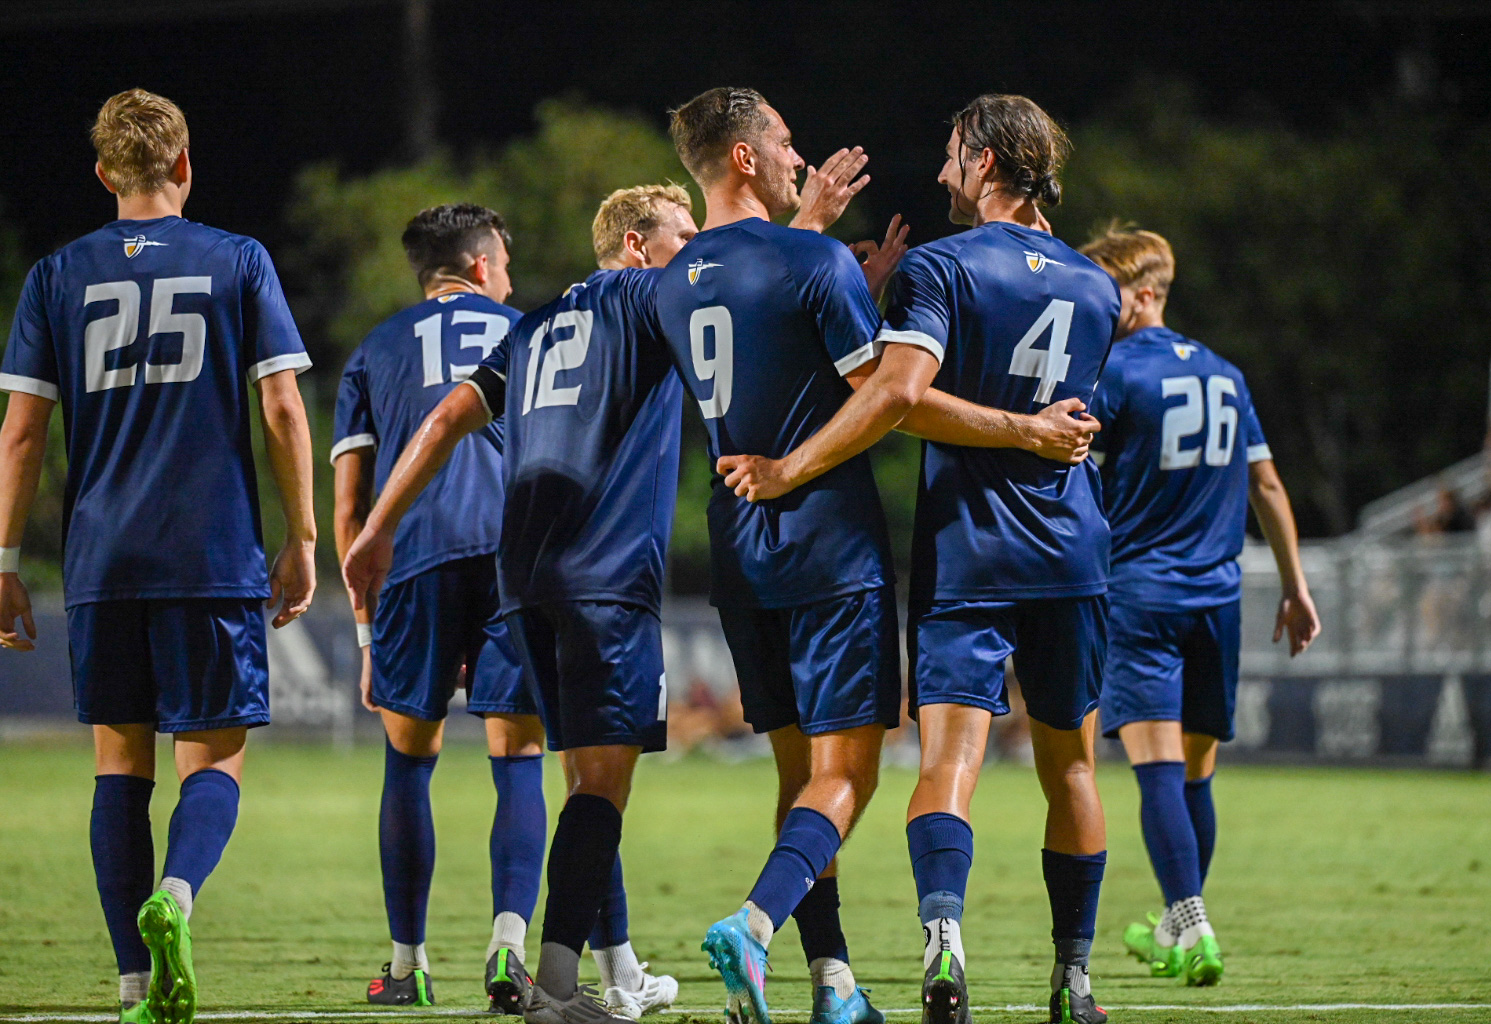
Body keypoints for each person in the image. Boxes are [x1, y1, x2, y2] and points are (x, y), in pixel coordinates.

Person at [341, 172, 870, 1024]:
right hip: (604, 574)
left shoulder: (538, 320)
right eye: (684, 236)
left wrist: (375, 530)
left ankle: (587, 977)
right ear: (637, 245)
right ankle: (553, 988)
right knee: (599, 788)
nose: (699, 253)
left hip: (526, 579)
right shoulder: (655, 298)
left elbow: (442, 421)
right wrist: (806, 226)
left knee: (588, 779)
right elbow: (743, 291)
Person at [715, 94, 1115, 1024]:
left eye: (948, 156)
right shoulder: (1095, 284)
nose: (940, 175)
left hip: (968, 552)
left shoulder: (941, 267)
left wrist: (791, 466)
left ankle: (943, 940)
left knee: (950, 764)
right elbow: (1083, 423)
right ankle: (1077, 983)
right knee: (1076, 771)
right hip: (1070, 552)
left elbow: (895, 395)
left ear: (982, 161)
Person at [0, 89, 316, 1024]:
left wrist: (6, 557)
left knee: (117, 767)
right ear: (185, 165)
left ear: (104, 175)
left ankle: (135, 988)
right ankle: (175, 897)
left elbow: (21, 434)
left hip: (103, 561)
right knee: (211, 763)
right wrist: (302, 536)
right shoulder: (240, 261)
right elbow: (286, 409)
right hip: (210, 552)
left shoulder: (57, 276)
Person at [332, 202, 611, 1012]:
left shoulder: (374, 349)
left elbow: (350, 509)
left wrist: (364, 634)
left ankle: (406, 962)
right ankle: (508, 948)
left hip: (413, 553)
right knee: (517, 756)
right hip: (510, 550)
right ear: (485, 265)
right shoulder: (532, 330)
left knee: (407, 758)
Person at [1080, 224, 1321, 987]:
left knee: (1156, 771)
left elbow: (1075, 475)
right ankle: (1181, 921)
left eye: (1109, 292)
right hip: (1219, 600)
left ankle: (1191, 923)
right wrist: (1296, 585)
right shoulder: (1226, 373)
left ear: (1145, 293)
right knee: (1197, 774)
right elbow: (1269, 487)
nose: (1098, 307)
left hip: (1142, 596)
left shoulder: (1110, 373)